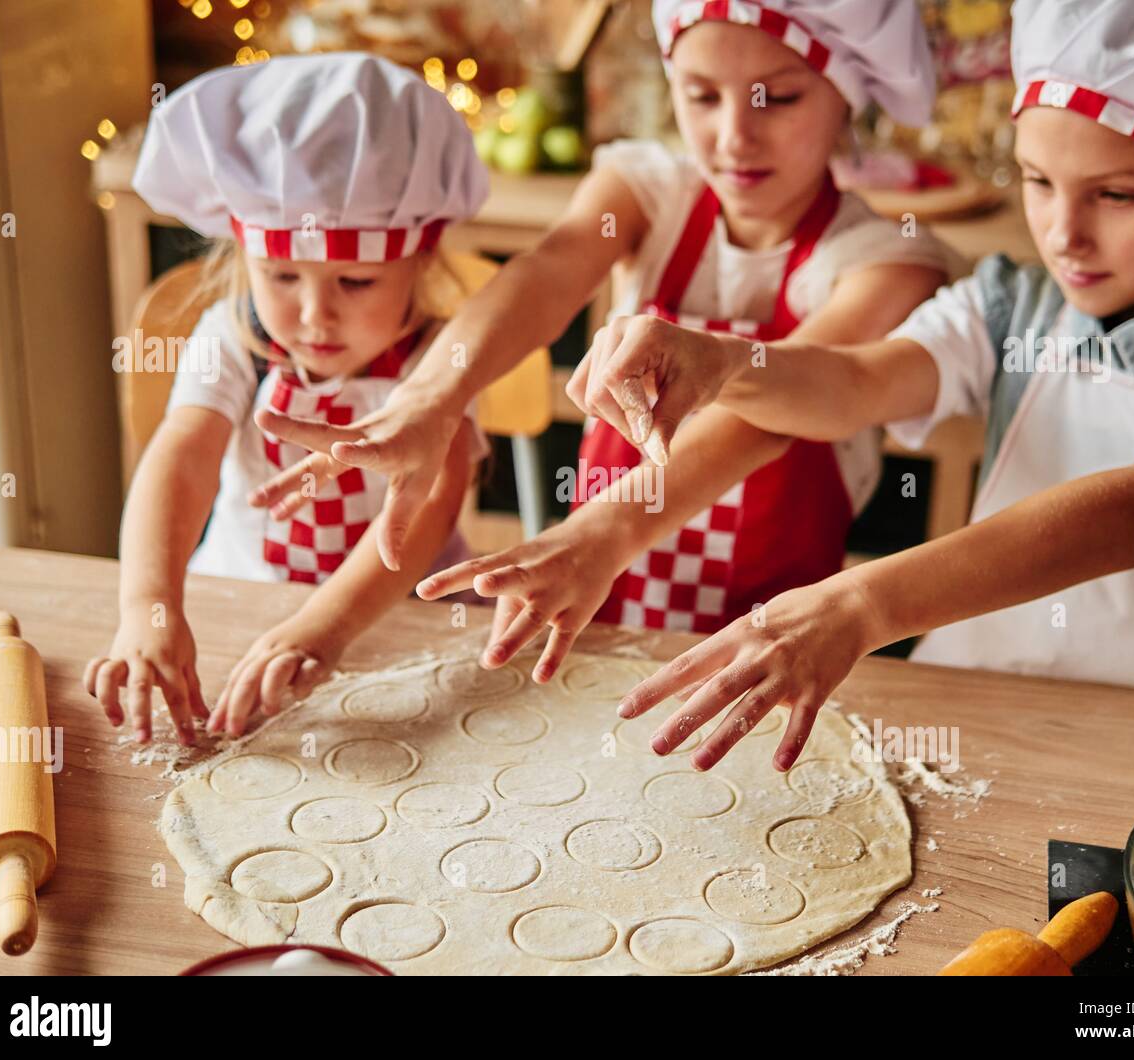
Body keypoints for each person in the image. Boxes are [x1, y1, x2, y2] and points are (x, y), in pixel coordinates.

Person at [584, 0, 1134, 773]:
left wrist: (861, 604)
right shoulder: (1011, 305)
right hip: (980, 708)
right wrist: (725, 363)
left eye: (1115, 195)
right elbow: (858, 381)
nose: (1063, 233)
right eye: (1039, 182)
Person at [254, 0, 954, 681]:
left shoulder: (884, 261)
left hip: (771, 645)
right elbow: (548, 274)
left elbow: (761, 422)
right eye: (703, 95)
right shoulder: (649, 192)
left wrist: (601, 534)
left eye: (779, 98)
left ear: (847, 94)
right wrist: (431, 398)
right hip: (592, 607)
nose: (736, 135)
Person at [82, 54, 489, 741]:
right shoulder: (233, 337)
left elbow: (432, 504)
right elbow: (180, 459)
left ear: (420, 261)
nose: (313, 316)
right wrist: (149, 606)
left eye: (355, 282)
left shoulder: (439, 360)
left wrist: (320, 630)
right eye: (280, 276)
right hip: (240, 604)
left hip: (405, 615)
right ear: (246, 261)